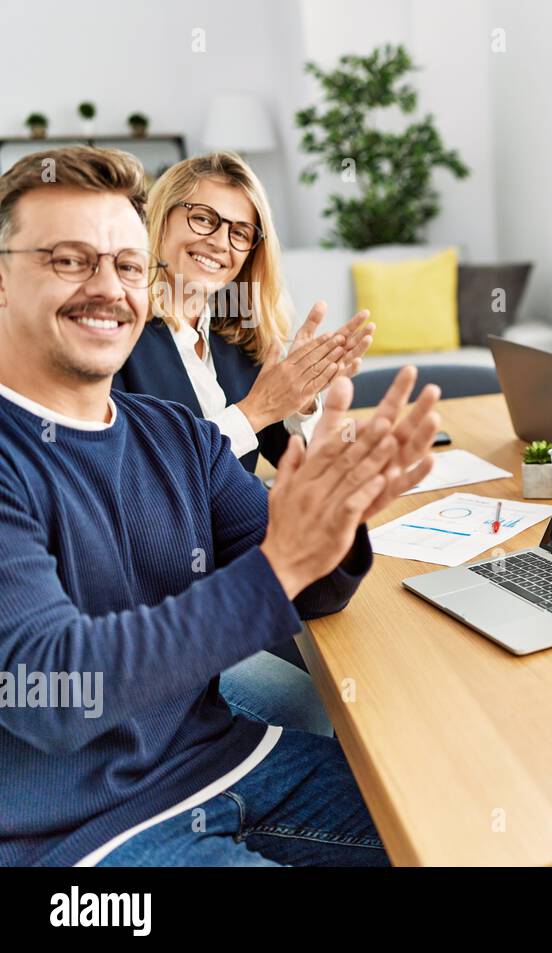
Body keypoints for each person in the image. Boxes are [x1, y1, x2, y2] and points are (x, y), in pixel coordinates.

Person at [0, 146, 440, 865]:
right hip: (78, 839)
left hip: (223, 761)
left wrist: (335, 513)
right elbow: (54, 692)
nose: (107, 287)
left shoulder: (173, 435)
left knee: (459, 826)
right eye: (68, 260)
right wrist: (279, 565)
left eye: (127, 264)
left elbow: (314, 591)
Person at [114, 153, 374, 727]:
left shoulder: (232, 339)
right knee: (326, 716)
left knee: (370, 682)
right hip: (158, 616)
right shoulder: (118, 338)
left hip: (237, 570)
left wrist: (305, 400)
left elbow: (284, 450)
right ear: (160, 218)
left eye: (240, 232)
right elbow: (137, 486)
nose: (221, 242)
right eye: (203, 218)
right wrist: (256, 409)